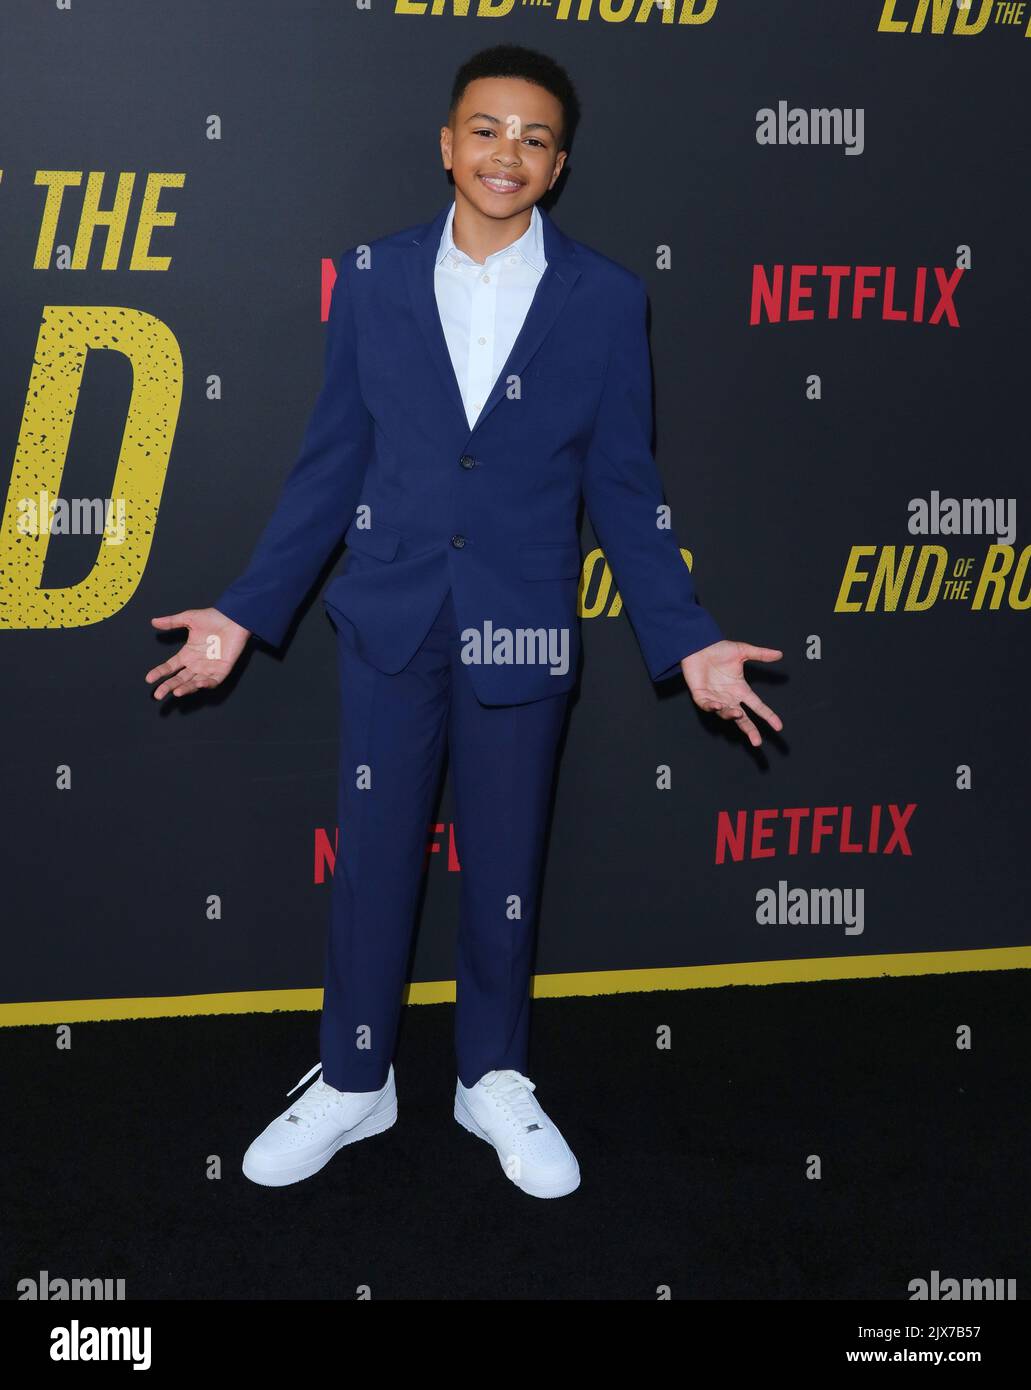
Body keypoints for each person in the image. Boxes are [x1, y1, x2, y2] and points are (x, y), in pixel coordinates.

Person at [144, 43, 783, 1200]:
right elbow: (330, 464)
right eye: (486, 129)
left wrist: (685, 636)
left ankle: (490, 1075)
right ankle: (353, 1080)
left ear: (559, 165)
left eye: (533, 138)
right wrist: (243, 613)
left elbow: (627, 497)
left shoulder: (604, 298)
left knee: (503, 865)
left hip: (523, 632)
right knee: (374, 858)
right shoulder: (376, 276)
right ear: (447, 143)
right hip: (388, 620)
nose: (507, 152)